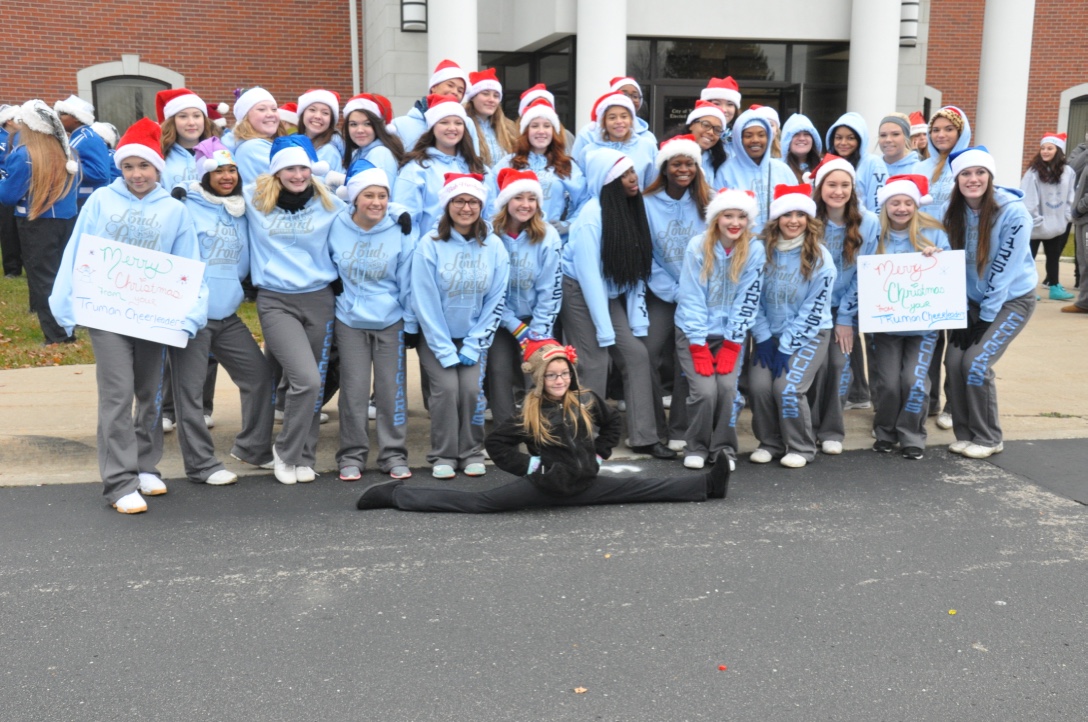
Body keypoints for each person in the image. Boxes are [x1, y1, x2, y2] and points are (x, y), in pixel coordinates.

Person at [354, 340, 729, 513]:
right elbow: (498, 445)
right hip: (545, 486)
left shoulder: (587, 399)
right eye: (551, 375)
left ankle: (708, 485)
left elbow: (613, 424)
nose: (559, 379)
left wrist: (599, 454)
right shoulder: (528, 412)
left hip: (584, 484)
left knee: (641, 488)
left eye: (563, 373)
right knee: (481, 503)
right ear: (540, 378)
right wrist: (532, 467)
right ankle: (394, 496)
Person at [49, 118, 208, 514]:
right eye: (128, 166)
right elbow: (78, 249)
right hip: (107, 314)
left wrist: (191, 312)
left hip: (154, 316)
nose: (137, 174)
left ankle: (144, 465)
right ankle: (119, 481)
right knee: (117, 395)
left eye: (145, 166)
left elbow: (188, 263)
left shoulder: (175, 211)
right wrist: (64, 301)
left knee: (149, 393)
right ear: (119, 169)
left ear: (158, 168)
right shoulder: (102, 201)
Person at [168, 137, 274, 486]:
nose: (227, 176)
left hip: (226, 316)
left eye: (232, 169)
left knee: (259, 378)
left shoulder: (242, 209)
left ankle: (253, 449)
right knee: (191, 394)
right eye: (218, 170)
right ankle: (200, 465)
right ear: (205, 175)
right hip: (192, 316)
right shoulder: (186, 204)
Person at [559, 148, 676, 459]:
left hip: (605, 294)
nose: (633, 178)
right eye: (624, 175)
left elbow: (634, 271)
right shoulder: (590, 219)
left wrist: (635, 321)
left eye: (633, 171)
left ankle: (644, 437)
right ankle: (585, 439)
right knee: (595, 362)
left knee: (637, 356)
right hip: (580, 292)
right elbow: (590, 279)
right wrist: (604, 331)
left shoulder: (628, 209)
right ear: (608, 181)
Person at [245, 134, 345, 484]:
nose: (298, 174)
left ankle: (305, 455)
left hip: (320, 299)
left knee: (311, 387)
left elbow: (369, 208)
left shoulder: (328, 201)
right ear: (276, 172)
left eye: (303, 167)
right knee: (306, 379)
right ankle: (286, 453)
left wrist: (398, 214)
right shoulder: (255, 199)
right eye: (290, 168)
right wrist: (186, 191)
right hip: (276, 300)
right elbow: (214, 193)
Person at [411, 172, 509, 478]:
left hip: (473, 338)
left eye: (472, 201)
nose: (466, 207)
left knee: (470, 391)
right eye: (458, 200)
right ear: (447, 204)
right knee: (445, 391)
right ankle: (443, 454)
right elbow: (424, 300)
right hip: (436, 337)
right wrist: (442, 347)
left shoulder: (494, 246)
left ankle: (470, 451)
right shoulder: (430, 244)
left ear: (481, 205)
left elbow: (496, 299)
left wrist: (474, 342)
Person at [943, 146, 1037, 459]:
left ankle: (989, 437)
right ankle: (966, 433)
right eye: (966, 174)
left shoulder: (1013, 213)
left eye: (980, 172)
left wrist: (984, 318)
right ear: (957, 180)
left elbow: (1003, 270)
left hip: (1011, 301)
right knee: (953, 363)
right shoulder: (952, 211)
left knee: (975, 363)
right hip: (969, 303)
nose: (973, 179)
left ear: (990, 176)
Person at [329, 159, 417, 481]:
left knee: (390, 391)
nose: (377, 202)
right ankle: (351, 455)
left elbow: (408, 279)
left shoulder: (400, 228)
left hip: (391, 319)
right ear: (354, 198)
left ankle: (393, 455)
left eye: (383, 196)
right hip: (349, 320)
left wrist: (410, 323)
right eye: (369, 195)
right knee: (353, 392)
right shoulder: (335, 223)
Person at [675, 189, 764, 470]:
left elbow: (749, 298)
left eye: (741, 216)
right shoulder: (697, 246)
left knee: (727, 389)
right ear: (716, 218)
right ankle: (697, 446)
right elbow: (691, 297)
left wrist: (733, 341)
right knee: (704, 392)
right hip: (694, 333)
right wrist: (698, 343)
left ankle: (723, 447)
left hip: (731, 337)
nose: (735, 222)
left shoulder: (755, 249)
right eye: (728, 215)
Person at [748, 184, 835, 469]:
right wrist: (761, 338)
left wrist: (787, 346)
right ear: (776, 220)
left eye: (800, 214)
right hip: (768, 336)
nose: (793, 220)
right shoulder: (761, 252)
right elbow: (753, 298)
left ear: (809, 221)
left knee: (786, 387)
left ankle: (800, 446)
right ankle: (770, 443)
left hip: (809, 335)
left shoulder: (820, 257)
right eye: (787, 214)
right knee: (759, 386)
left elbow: (814, 309)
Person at [869, 175, 949, 460]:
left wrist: (937, 256)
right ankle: (886, 432)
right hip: (887, 326)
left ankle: (912, 434)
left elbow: (948, 271)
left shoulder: (934, 232)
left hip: (923, 327)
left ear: (916, 205)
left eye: (907, 203)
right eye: (895, 202)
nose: (901, 208)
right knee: (888, 384)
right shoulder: (875, 235)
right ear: (885, 205)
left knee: (914, 382)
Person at [806, 154, 879, 455]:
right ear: (820, 186)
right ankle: (806, 427)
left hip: (846, 308)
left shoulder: (868, 222)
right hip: (811, 308)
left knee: (839, 363)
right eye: (831, 184)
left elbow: (865, 272)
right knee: (815, 366)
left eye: (844, 185)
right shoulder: (808, 219)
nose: (838, 191)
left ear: (853, 187)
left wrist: (846, 317)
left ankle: (832, 430)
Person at [642, 135, 711, 451]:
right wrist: (673, 291)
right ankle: (655, 426)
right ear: (665, 168)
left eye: (689, 163)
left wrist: (694, 291)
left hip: (700, 295)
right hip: (662, 293)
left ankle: (680, 429)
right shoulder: (646, 203)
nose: (683, 169)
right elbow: (645, 254)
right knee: (649, 354)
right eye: (676, 163)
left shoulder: (710, 202)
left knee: (688, 359)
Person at [486, 168, 562, 427]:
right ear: (506, 201)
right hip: (499, 320)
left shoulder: (547, 236)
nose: (525, 204)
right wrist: (514, 326)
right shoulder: (490, 234)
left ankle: (542, 430)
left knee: (541, 370)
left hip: (536, 318)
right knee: (499, 371)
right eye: (519, 198)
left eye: (532, 199)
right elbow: (490, 289)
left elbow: (550, 288)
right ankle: (505, 432)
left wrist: (539, 332)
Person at [0, 100, 79, 344]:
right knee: (64, 276)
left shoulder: (24, 155)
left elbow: (9, 195)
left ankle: (57, 336)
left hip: (36, 221)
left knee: (43, 280)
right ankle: (69, 327)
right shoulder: (66, 150)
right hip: (66, 219)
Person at [913, 105, 972, 430]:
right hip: (927, 258)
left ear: (960, 131)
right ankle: (930, 399)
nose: (941, 135)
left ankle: (952, 403)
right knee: (929, 336)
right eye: (936, 129)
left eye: (948, 129)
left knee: (957, 338)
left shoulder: (968, 165)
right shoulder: (920, 166)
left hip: (960, 260)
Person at [491, 97, 586, 241]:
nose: (541, 131)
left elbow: (584, 199)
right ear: (526, 131)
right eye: (534, 126)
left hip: (551, 241)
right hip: (513, 242)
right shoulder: (508, 163)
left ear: (554, 131)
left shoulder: (566, 165)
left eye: (547, 126)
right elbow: (491, 199)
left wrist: (569, 223)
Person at [395, 94, 487, 236]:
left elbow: (491, 215)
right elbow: (408, 222)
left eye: (458, 123)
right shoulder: (416, 169)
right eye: (444, 122)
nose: (452, 128)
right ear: (432, 127)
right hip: (432, 252)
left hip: (474, 253)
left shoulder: (479, 167)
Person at [720, 108, 795, 232]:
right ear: (739, 139)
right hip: (742, 246)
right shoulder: (726, 171)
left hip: (779, 245)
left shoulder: (783, 170)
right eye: (748, 135)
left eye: (761, 135)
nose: (755, 140)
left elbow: (796, 208)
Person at [1020, 132, 1075, 301]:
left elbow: (1071, 194)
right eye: (1043, 148)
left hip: (1057, 224)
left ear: (1058, 150)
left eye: (1050, 148)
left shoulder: (1068, 172)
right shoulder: (1033, 172)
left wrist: (1066, 217)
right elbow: (1029, 197)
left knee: (1053, 256)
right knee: (1029, 257)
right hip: (1036, 225)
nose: (1045, 151)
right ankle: (1026, 289)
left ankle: (1055, 286)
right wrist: (1035, 219)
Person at [572, 92, 658, 191]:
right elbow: (581, 189)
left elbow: (653, 188)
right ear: (603, 122)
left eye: (624, 116)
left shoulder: (647, 146)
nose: (619, 121)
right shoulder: (589, 152)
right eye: (612, 118)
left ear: (631, 120)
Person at [392, 59, 480, 154]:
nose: (455, 92)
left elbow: (474, 160)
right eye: (450, 85)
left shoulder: (467, 123)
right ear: (434, 87)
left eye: (460, 91)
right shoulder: (400, 125)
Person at [335, 93, 404, 192]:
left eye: (367, 124)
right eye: (353, 124)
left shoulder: (381, 154)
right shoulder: (357, 153)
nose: (360, 130)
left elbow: (380, 199)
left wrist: (343, 181)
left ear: (378, 126)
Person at [157, 88, 221, 191]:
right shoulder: (159, 154)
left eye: (196, 116)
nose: (191, 122)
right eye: (183, 116)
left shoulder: (220, 152)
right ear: (172, 122)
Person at [54, 94, 110, 209]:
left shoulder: (87, 138)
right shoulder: (78, 137)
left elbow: (101, 173)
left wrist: (67, 166)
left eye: (63, 114)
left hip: (87, 201)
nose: (59, 118)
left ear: (76, 118)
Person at [825, 111, 886, 212]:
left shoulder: (873, 163)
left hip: (863, 225)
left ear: (860, 140)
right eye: (838, 138)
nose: (843, 143)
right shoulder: (827, 165)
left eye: (850, 138)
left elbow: (878, 206)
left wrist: (872, 226)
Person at [232, 87, 288, 183]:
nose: (270, 114)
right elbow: (295, 177)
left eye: (274, 109)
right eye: (262, 109)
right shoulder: (253, 147)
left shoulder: (270, 144)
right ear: (245, 117)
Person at [463, 68, 517, 168]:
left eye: (496, 96)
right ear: (472, 97)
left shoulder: (509, 127)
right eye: (485, 94)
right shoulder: (461, 125)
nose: (491, 100)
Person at [297, 88, 344, 179]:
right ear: (303, 113)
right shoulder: (298, 143)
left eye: (325, 113)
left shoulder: (328, 150)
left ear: (331, 120)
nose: (318, 116)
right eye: (312, 110)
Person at [685, 100, 729, 190]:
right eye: (705, 125)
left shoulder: (716, 160)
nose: (710, 132)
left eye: (717, 130)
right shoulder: (673, 155)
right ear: (691, 125)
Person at [1065, 147, 1088, 314]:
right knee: (1084, 261)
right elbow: (1072, 168)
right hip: (1082, 218)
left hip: (1084, 214)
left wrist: (1079, 208)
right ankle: (1084, 301)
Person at [781, 113, 822, 183]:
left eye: (806, 134)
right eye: (796, 134)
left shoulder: (824, 167)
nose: (802, 138)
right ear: (786, 141)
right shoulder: (777, 169)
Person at [700, 76, 742, 143]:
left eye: (730, 104)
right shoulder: (694, 138)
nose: (724, 110)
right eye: (717, 104)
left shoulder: (743, 139)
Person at [878, 113, 920, 178]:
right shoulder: (872, 167)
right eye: (883, 135)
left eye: (895, 134)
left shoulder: (917, 169)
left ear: (906, 137)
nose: (888, 140)